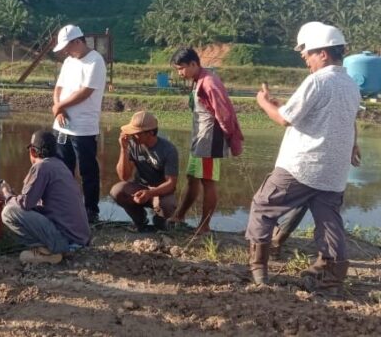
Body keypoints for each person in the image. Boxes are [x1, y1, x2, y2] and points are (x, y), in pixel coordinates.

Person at [245, 22, 362, 288]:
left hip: (302, 165)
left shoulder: (317, 80)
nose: (306, 60)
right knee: (329, 221)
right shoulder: (351, 85)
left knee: (263, 207)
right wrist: (353, 145)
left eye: (308, 54)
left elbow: (285, 120)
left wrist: (264, 103)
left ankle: (259, 271)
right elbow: (344, 119)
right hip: (333, 171)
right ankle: (331, 276)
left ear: (323, 53)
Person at [167, 47, 243, 235]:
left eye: (181, 68)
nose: (179, 73)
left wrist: (231, 138)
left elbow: (224, 113)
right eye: (177, 69)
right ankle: (179, 215)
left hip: (210, 139)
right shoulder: (198, 80)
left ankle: (204, 226)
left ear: (194, 64)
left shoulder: (209, 82)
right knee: (193, 178)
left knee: (207, 181)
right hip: (200, 138)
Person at [1, 130, 91, 264]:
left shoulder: (41, 167)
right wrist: (16, 197)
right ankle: (53, 248)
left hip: (66, 241)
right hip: (81, 238)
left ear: (32, 151)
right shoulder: (60, 165)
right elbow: (38, 203)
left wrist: (7, 195)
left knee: (8, 212)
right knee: (18, 207)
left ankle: (48, 250)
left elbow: (26, 204)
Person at [51, 25, 106, 222]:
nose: (66, 51)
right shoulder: (68, 61)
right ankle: (66, 207)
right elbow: (59, 87)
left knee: (87, 170)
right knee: (63, 169)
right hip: (62, 126)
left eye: (68, 47)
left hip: (83, 127)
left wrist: (59, 106)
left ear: (78, 41)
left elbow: (85, 92)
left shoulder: (95, 61)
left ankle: (91, 211)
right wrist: (58, 107)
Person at [110, 111, 179, 232]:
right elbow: (124, 177)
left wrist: (150, 193)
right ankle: (140, 220)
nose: (132, 135)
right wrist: (123, 149)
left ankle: (160, 222)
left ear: (151, 132)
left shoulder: (168, 149)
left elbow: (171, 184)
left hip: (161, 191)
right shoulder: (132, 145)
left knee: (168, 205)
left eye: (136, 133)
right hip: (140, 187)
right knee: (117, 191)